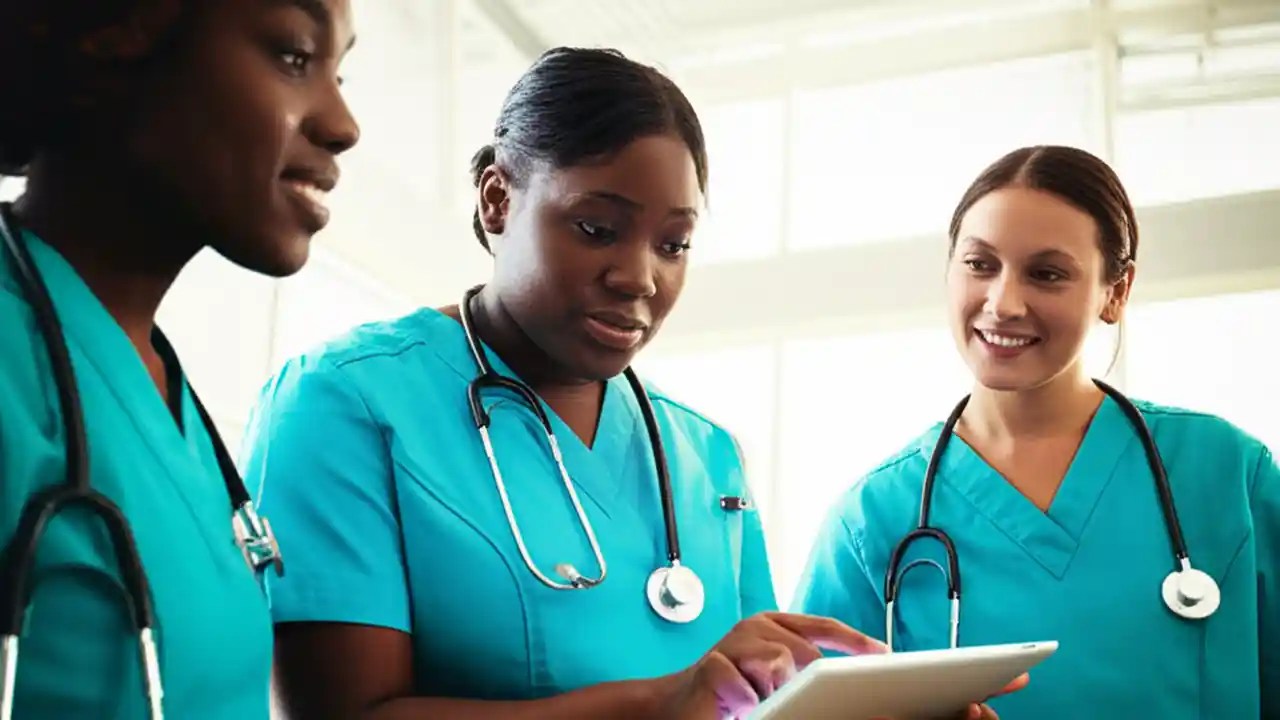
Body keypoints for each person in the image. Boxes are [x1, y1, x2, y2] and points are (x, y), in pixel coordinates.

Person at [239, 47, 1019, 720]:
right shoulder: (345, 403)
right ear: (497, 198)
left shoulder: (706, 454)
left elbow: (755, 702)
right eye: (596, 228)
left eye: (673, 243)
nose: (638, 277)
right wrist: (659, 703)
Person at [792, 144, 1279, 719]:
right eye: (980, 264)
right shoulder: (872, 520)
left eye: (1046, 274)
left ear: (1115, 293)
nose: (1003, 303)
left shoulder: (1224, 473)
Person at [0, 0, 359, 717]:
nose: (343, 126)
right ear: (111, 29)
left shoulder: (151, 380)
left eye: (340, 73)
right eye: (294, 56)